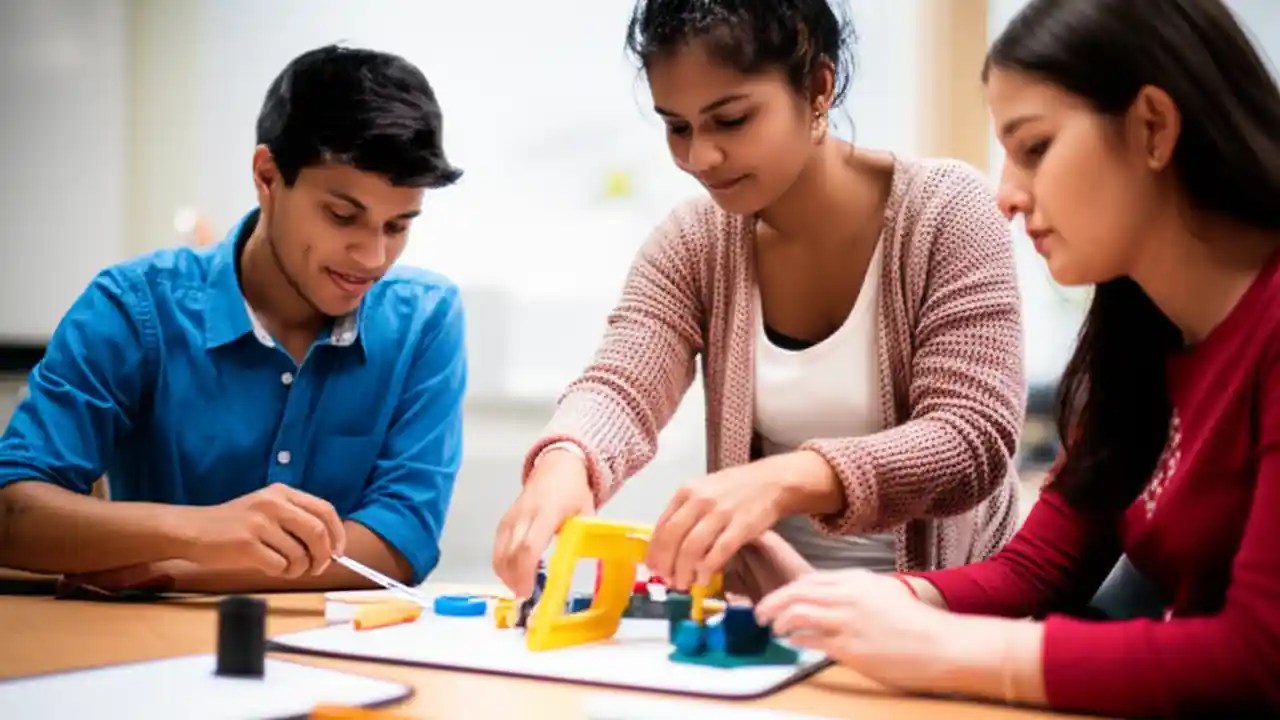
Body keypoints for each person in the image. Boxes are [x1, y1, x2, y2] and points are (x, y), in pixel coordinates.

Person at [752, 0, 1280, 715]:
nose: (1005, 196)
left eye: (1034, 148)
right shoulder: (1143, 340)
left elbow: (1259, 658)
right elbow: (1040, 568)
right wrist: (863, 603)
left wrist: (943, 649)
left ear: (1153, 128)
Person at [493, 0, 1026, 600]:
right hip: (773, 618)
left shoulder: (948, 212)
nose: (700, 158)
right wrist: (568, 458)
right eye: (678, 128)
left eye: (731, 120)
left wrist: (786, 480)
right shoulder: (694, 242)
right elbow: (622, 385)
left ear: (818, 89)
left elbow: (970, 436)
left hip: (941, 617)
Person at [0, 45, 467, 593]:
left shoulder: (425, 319)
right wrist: (199, 531)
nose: (372, 257)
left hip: (326, 642)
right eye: (343, 216)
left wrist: (178, 569)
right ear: (267, 177)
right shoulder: (133, 306)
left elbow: (401, 537)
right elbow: (13, 510)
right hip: (147, 642)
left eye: (398, 226)